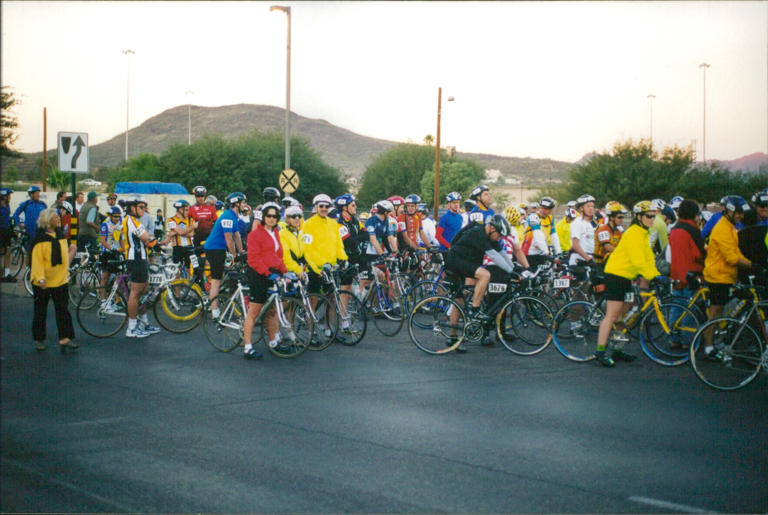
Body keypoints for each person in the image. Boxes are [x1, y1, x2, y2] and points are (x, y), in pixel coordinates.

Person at [594, 201, 661, 367]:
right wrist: (652, 276)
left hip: (627, 277)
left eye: (654, 216)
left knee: (623, 316)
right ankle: (600, 351)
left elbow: (648, 257)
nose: (653, 219)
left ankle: (617, 349)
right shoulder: (633, 233)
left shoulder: (643, 233)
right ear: (639, 217)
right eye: (649, 216)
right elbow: (638, 260)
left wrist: (656, 274)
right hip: (616, 275)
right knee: (613, 314)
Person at [444, 215, 516, 352]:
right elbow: (493, 256)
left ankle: (452, 337)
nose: (500, 238)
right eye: (499, 234)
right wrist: (511, 272)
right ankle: (475, 309)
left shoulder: (490, 235)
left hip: (465, 261)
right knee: (485, 274)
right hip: (455, 261)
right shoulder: (478, 233)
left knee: (459, 299)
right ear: (492, 228)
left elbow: (501, 252)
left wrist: (514, 268)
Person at [701, 195, 753, 359]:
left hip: (725, 276)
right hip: (718, 277)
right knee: (715, 314)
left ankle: (715, 342)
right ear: (729, 211)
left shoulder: (730, 226)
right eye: (738, 213)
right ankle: (708, 348)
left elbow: (736, 252)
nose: (741, 216)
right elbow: (731, 257)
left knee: (720, 313)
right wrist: (754, 266)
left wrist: (750, 262)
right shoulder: (723, 228)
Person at [242, 202, 287, 360]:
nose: (272, 219)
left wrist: (285, 271)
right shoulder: (254, 235)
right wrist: (267, 273)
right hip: (259, 275)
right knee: (253, 312)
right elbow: (253, 259)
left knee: (273, 310)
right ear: (263, 217)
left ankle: (273, 341)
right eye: (269, 216)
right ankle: (247, 347)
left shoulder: (276, 233)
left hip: (272, 273)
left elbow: (278, 256)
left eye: (275, 216)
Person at [29, 208, 77, 352]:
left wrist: (72, 253)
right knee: (40, 311)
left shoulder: (61, 236)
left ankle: (65, 338)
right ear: (48, 220)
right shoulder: (40, 239)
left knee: (62, 310)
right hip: (43, 281)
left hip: (60, 280)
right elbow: (37, 261)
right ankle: (39, 339)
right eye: (56, 217)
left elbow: (63, 261)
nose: (58, 219)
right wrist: (40, 279)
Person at [121, 196, 160, 338]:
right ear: (132, 208)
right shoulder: (131, 222)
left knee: (144, 291)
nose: (144, 210)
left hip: (141, 258)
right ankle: (131, 328)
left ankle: (144, 323)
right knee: (136, 293)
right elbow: (146, 238)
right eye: (141, 207)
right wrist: (158, 242)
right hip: (136, 259)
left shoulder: (134, 221)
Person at [204, 192, 246, 320]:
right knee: (216, 280)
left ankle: (217, 299)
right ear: (236, 204)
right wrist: (235, 256)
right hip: (214, 248)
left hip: (219, 248)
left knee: (222, 276)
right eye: (243, 202)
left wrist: (242, 253)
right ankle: (214, 310)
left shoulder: (234, 216)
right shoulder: (227, 216)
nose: (245, 204)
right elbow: (229, 238)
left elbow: (237, 236)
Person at [302, 193, 348, 299]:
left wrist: (343, 258)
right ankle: (310, 316)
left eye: (326, 206)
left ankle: (329, 316)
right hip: (315, 268)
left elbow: (338, 245)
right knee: (313, 298)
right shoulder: (308, 224)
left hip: (330, 268)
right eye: (321, 206)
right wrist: (318, 266)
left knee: (332, 298)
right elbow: (307, 248)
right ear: (316, 207)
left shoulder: (333, 224)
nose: (324, 209)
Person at [668, 199, 706, 307]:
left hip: (676, 274)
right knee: (690, 311)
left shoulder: (674, 229)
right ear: (693, 214)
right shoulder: (693, 230)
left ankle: (672, 325)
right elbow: (698, 255)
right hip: (691, 276)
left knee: (677, 307)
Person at [99, 206, 124, 310]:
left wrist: (124, 249)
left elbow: (122, 240)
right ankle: (103, 300)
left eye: (118, 216)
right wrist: (111, 248)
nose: (117, 218)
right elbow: (103, 241)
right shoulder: (105, 225)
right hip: (107, 253)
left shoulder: (121, 225)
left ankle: (113, 300)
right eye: (115, 216)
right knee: (105, 277)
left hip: (116, 254)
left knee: (118, 278)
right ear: (110, 216)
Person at [161, 199, 196, 272]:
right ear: (180, 209)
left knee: (191, 269)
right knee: (176, 270)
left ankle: (190, 283)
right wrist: (191, 228)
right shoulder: (171, 219)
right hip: (177, 247)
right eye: (186, 210)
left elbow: (192, 234)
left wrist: (175, 233)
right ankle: (177, 283)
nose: (188, 212)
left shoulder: (190, 219)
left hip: (189, 247)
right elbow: (180, 232)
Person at [13, 185, 47, 250]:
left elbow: (47, 216)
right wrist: (19, 224)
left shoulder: (43, 204)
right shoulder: (25, 204)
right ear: (31, 194)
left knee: (40, 251)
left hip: (40, 232)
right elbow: (15, 214)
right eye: (36, 193)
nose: (38, 195)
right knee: (29, 251)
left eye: (38, 193)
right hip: (29, 232)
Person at [280, 205, 306, 281]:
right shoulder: (282, 234)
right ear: (287, 219)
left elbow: (306, 253)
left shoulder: (300, 234)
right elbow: (285, 258)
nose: (297, 218)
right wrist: (298, 270)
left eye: (299, 216)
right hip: (288, 270)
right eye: (294, 216)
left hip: (299, 268)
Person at [569, 194, 597, 265]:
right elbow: (575, 245)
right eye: (588, 206)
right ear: (581, 208)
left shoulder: (589, 224)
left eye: (592, 206)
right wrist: (589, 259)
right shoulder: (577, 223)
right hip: (579, 261)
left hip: (588, 259)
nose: (591, 209)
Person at [76, 191, 100, 257]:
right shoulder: (92, 208)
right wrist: (98, 228)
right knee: (94, 254)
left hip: (81, 233)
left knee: (81, 254)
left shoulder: (84, 206)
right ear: (94, 199)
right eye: (96, 197)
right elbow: (89, 221)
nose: (97, 199)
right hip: (89, 234)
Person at [0, 188, 15, 281]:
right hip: (1, 231)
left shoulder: (7, 205)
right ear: (3, 196)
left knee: (8, 251)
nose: (10, 197)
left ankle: (7, 273)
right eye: (9, 195)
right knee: (1, 252)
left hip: (7, 231)